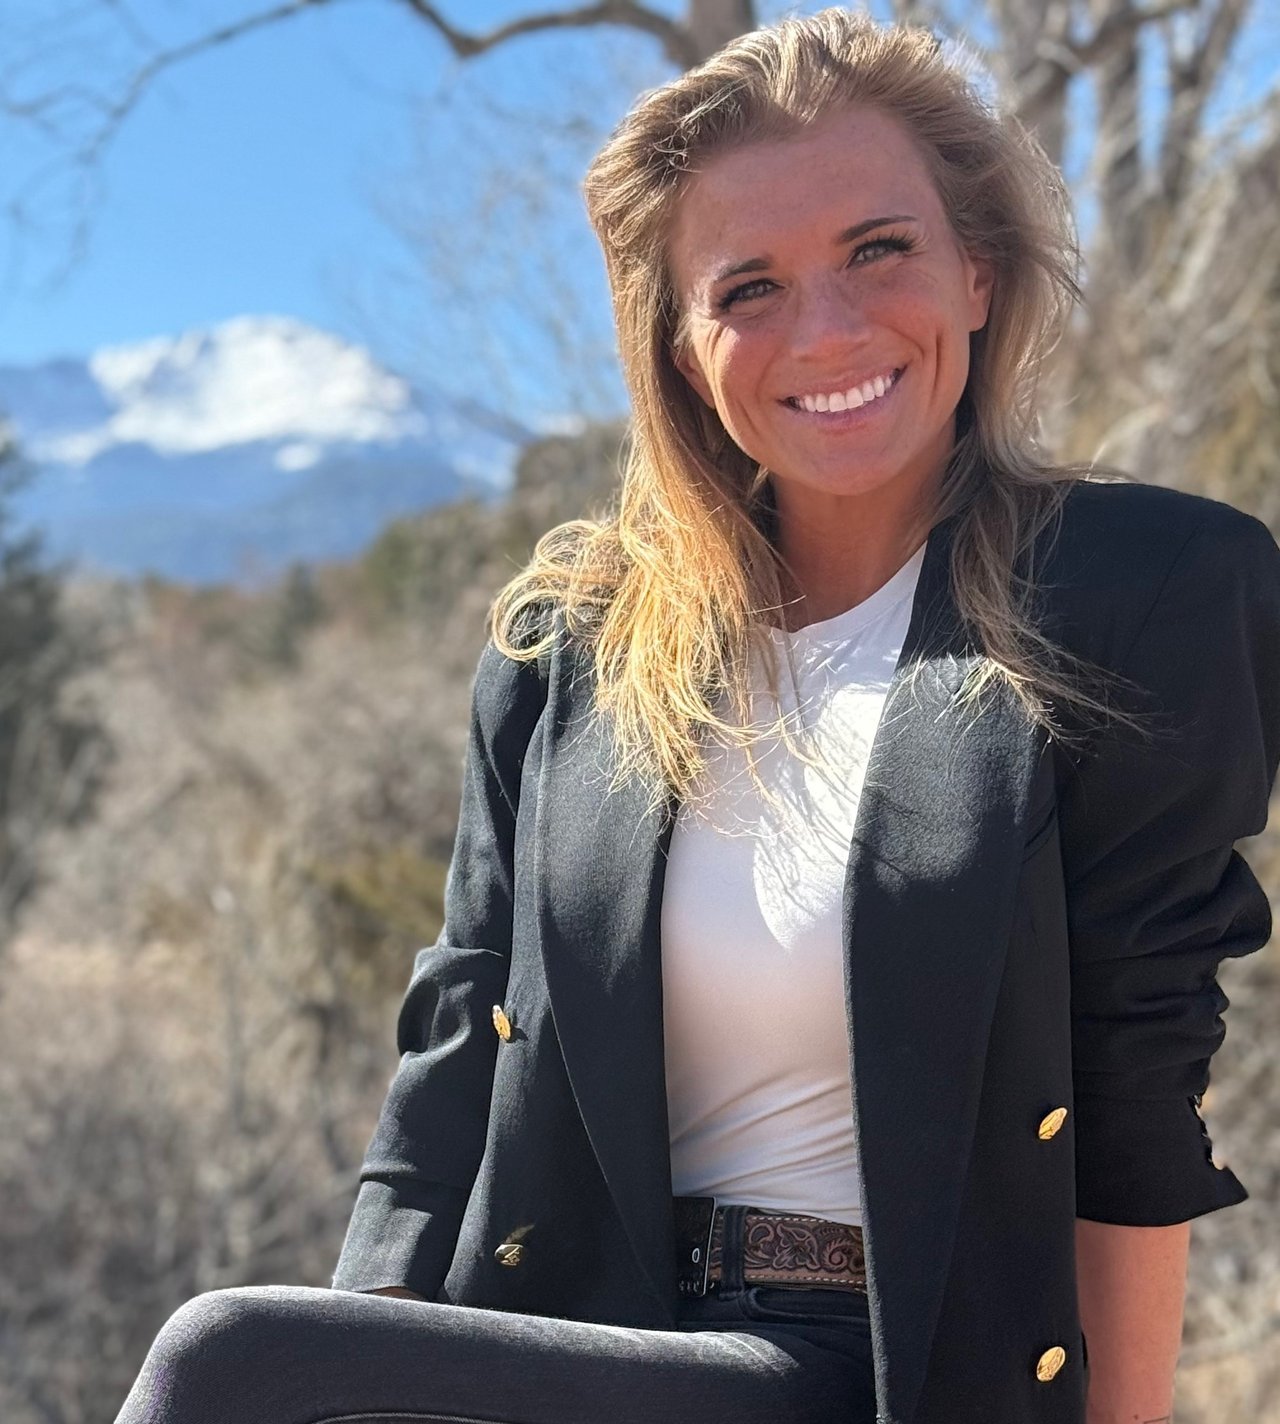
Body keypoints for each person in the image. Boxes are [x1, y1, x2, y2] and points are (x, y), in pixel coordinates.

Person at [113, 9, 1280, 1424]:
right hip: (594, 1338)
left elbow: (1135, 1079)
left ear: (977, 272)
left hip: (893, 1368)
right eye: (750, 288)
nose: (828, 330)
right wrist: (354, 1380)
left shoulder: (1140, 591)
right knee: (266, 1374)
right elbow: (456, 1058)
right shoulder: (574, 651)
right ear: (678, 346)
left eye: (878, 249)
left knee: (225, 1358)